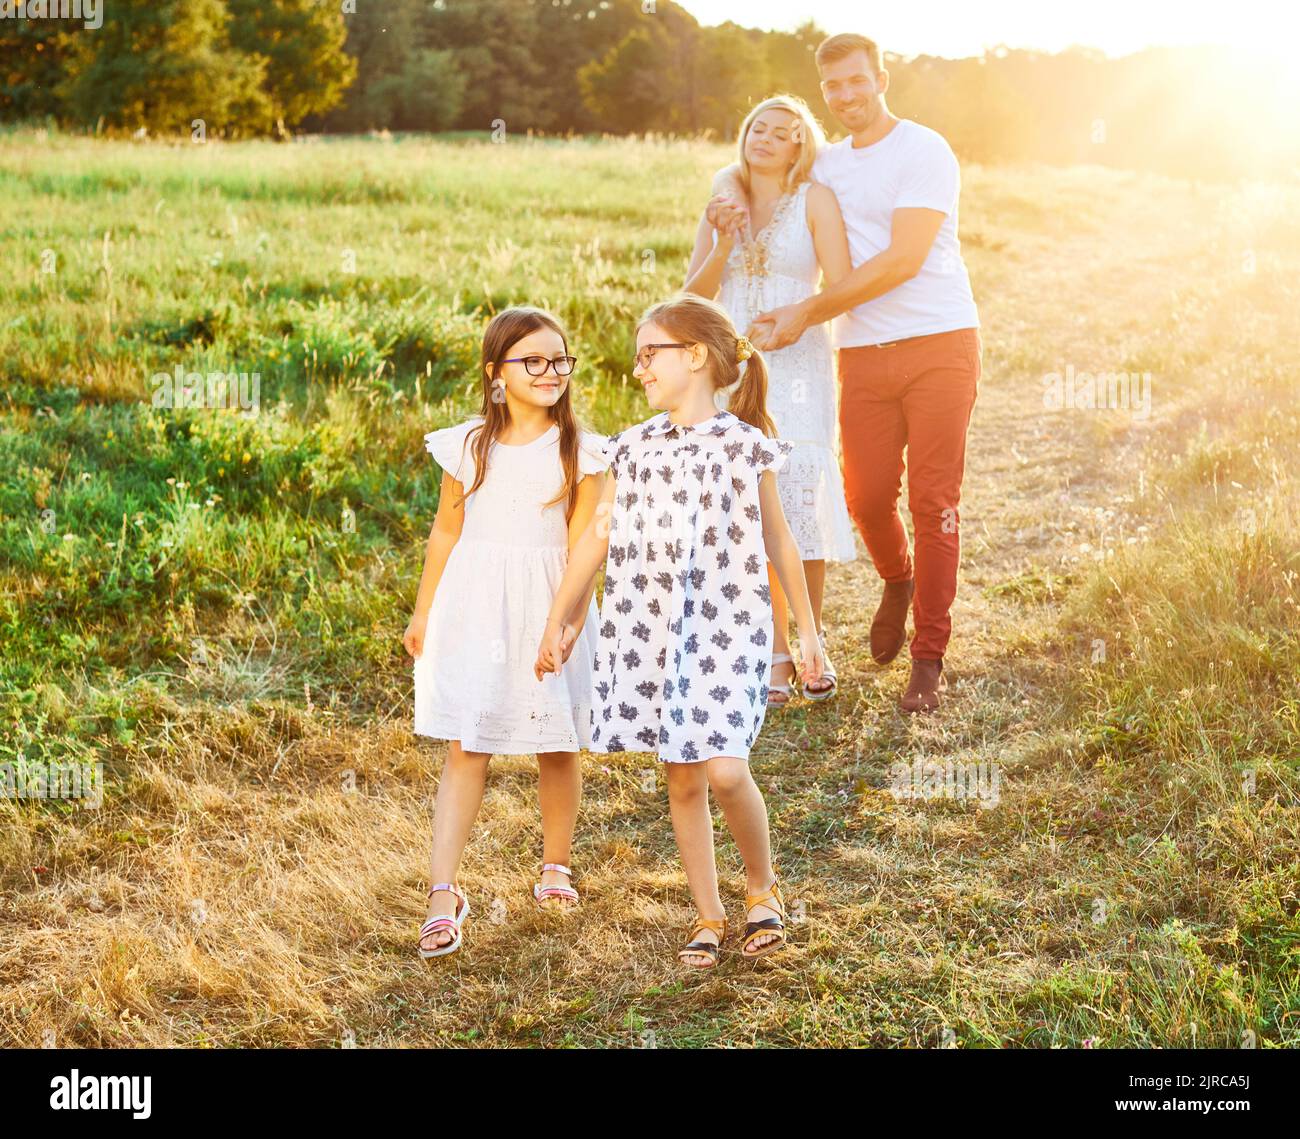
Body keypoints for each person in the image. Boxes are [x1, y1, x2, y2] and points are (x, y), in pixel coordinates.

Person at [536, 294, 824, 968]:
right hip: (651, 624)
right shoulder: (631, 448)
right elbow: (594, 541)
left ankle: (762, 885)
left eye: (650, 354)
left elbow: (781, 541)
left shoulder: (747, 446)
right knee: (682, 776)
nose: (639, 369)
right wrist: (563, 617)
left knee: (725, 768)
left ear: (694, 356)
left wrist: (806, 630)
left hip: (729, 624)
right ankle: (708, 910)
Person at [709, 32, 983, 713]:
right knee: (863, 497)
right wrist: (725, 205)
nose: (847, 96)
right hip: (862, 350)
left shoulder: (924, 149)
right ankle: (898, 577)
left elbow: (902, 260)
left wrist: (807, 310)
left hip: (940, 339)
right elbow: (753, 173)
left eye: (858, 81)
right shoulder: (824, 164)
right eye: (834, 86)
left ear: (882, 78)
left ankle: (929, 657)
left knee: (933, 499)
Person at [404, 306, 610, 958]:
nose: (552, 372)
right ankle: (443, 891)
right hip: (478, 608)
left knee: (556, 740)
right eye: (534, 361)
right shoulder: (469, 445)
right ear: (496, 373)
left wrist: (567, 622)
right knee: (469, 742)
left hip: (551, 606)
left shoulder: (583, 450)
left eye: (560, 359)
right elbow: (446, 530)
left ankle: (555, 865)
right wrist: (423, 609)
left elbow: (585, 550)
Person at [684, 94, 858, 708]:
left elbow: (841, 287)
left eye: (783, 132)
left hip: (801, 359)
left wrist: (797, 316)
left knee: (799, 491)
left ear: (799, 147)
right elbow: (692, 295)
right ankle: (769, 648)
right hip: (732, 363)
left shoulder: (816, 200)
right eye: (758, 126)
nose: (766, 137)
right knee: (744, 501)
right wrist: (723, 244)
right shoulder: (722, 195)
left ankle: (812, 643)